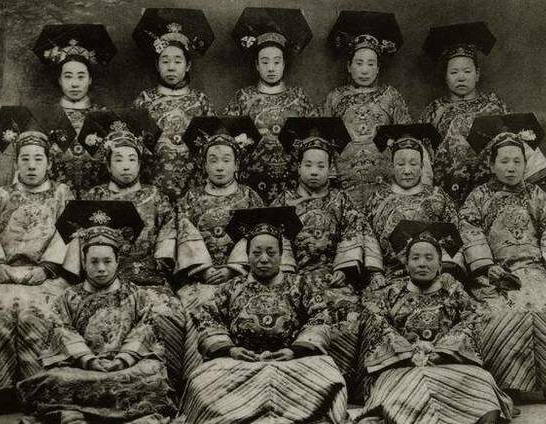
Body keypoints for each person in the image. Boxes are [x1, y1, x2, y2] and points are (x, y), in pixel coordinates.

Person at [459, 116, 546, 404]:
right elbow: (469, 231)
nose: (511, 167)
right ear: (491, 164)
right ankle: (510, 383)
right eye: (504, 161)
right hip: (495, 273)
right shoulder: (478, 197)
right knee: (505, 313)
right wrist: (487, 267)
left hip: (535, 270)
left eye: (517, 161)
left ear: (525, 164)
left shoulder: (536, 195)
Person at [179, 206, 350, 424]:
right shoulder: (231, 287)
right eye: (256, 253)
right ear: (247, 255)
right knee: (200, 384)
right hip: (240, 364)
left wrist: (294, 350)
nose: (263, 259)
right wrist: (231, 350)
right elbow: (208, 318)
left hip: (292, 362)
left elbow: (320, 317)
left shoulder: (300, 284)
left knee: (330, 377)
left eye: (271, 253)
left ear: (281, 255)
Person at [18, 202, 177, 424]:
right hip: (83, 368)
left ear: (118, 261)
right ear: (83, 262)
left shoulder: (136, 294)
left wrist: (123, 359)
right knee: (53, 379)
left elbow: (145, 328)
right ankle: (104, 415)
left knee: (153, 374)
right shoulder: (69, 297)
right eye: (94, 261)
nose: (101, 268)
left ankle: (76, 413)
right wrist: (88, 360)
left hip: (124, 367)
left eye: (107, 261)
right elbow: (61, 330)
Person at [357, 221, 513, 424]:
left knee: (484, 384)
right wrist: (408, 351)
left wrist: (441, 349)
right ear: (406, 265)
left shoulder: (454, 291)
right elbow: (377, 323)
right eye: (415, 258)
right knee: (405, 388)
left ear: (440, 265)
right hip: (403, 366)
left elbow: (472, 319)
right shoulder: (390, 294)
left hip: (447, 363)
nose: (422, 264)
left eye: (429, 258)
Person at [0, 107, 72, 396]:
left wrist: (46, 268)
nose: (32, 166)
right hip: (3, 274)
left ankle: (41, 388)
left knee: (32, 310)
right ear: (16, 163)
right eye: (25, 159)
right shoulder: (3, 195)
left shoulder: (61, 194)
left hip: (46, 276)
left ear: (49, 162)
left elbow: (68, 234)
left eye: (38, 159)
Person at [78, 111, 187, 390]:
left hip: (147, 277)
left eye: (132, 159)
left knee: (167, 313)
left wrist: (159, 264)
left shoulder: (155, 196)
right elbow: (79, 240)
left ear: (140, 162)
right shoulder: (94, 197)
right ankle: (103, 384)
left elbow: (169, 234)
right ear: (107, 163)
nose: (126, 166)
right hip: (102, 277)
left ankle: (166, 385)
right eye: (118, 159)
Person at [271, 117, 380, 395]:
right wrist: (288, 274)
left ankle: (342, 384)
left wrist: (344, 268)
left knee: (351, 314)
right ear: (298, 167)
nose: (314, 172)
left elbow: (355, 231)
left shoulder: (340, 200)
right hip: (293, 279)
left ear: (330, 168)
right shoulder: (283, 202)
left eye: (321, 166)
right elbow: (274, 239)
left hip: (332, 277)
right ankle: (297, 385)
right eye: (308, 165)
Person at [420, 22, 546, 208]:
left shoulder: (494, 106)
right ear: (445, 76)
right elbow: (422, 154)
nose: (461, 77)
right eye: (454, 72)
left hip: (491, 188)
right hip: (447, 189)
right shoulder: (435, 111)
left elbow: (516, 141)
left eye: (467, 71)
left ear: (477, 74)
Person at [174, 116, 264, 378]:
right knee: (193, 307)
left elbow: (262, 236)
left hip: (241, 276)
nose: (220, 166)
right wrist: (203, 269)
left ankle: (246, 373)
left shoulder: (249, 197)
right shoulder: (190, 198)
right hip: (200, 278)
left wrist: (232, 269)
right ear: (204, 165)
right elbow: (179, 235)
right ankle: (199, 377)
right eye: (213, 160)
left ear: (237, 164)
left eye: (226, 160)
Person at [324, 11, 417, 209]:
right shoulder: (335, 97)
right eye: (359, 63)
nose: (364, 70)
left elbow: (407, 139)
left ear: (378, 68)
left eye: (371, 63)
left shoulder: (391, 96)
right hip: (343, 182)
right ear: (349, 66)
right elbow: (324, 141)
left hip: (386, 184)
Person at [225, 7, 318, 203]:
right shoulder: (243, 97)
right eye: (265, 62)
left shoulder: (299, 97)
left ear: (284, 64)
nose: (271, 68)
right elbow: (227, 142)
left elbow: (315, 141)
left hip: (293, 184)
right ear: (257, 65)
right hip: (249, 183)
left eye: (277, 62)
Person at [132, 8, 216, 200]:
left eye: (178, 61)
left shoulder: (200, 101)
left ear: (188, 65)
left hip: (194, 190)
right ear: (157, 65)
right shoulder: (144, 100)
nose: (171, 67)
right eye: (165, 61)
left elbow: (213, 147)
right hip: (153, 189)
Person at [364, 124, 461, 286]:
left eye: (413, 164)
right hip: (392, 277)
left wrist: (447, 271)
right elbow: (368, 237)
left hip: (434, 274)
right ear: (392, 166)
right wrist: (375, 273)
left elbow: (453, 234)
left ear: (422, 167)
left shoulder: (437, 196)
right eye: (400, 164)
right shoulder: (378, 198)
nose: (407, 171)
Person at [32, 24, 116, 198]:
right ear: (59, 79)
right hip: (55, 200)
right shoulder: (45, 117)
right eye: (68, 76)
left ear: (90, 79)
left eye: (81, 76)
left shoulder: (105, 116)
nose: (75, 84)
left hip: (98, 199)